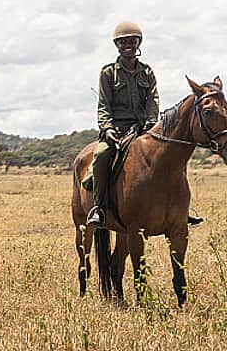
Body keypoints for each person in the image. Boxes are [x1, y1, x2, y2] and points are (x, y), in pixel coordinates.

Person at [86, 21, 203, 227]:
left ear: (138, 43)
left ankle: (182, 209)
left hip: (144, 127)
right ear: (117, 46)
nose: (128, 45)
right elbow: (103, 104)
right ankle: (98, 207)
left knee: (173, 154)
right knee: (102, 154)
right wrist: (107, 128)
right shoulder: (108, 73)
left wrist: (151, 122)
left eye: (132, 41)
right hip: (117, 129)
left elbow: (153, 99)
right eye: (124, 42)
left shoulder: (147, 72)